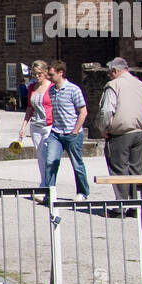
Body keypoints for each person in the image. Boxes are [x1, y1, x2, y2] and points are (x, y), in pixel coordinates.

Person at [97, 57, 142, 215]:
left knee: (119, 169)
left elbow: (107, 110)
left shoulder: (114, 85)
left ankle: (120, 205)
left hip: (121, 132)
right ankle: (135, 206)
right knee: (136, 169)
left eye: (109, 73)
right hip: (140, 132)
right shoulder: (141, 84)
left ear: (115, 71)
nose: (109, 76)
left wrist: (103, 127)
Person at [44, 60, 89, 200]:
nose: (49, 78)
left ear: (60, 73)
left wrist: (75, 130)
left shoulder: (73, 89)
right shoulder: (51, 90)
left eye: (51, 75)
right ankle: (50, 193)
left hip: (72, 133)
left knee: (77, 165)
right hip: (56, 133)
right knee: (51, 162)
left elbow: (83, 111)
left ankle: (82, 192)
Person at [17, 60, 53, 187]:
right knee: (40, 156)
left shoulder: (51, 87)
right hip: (35, 125)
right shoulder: (32, 88)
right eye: (35, 74)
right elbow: (29, 108)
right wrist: (23, 127)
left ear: (45, 72)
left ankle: (50, 183)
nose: (37, 76)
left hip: (49, 125)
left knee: (48, 156)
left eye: (39, 74)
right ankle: (44, 183)